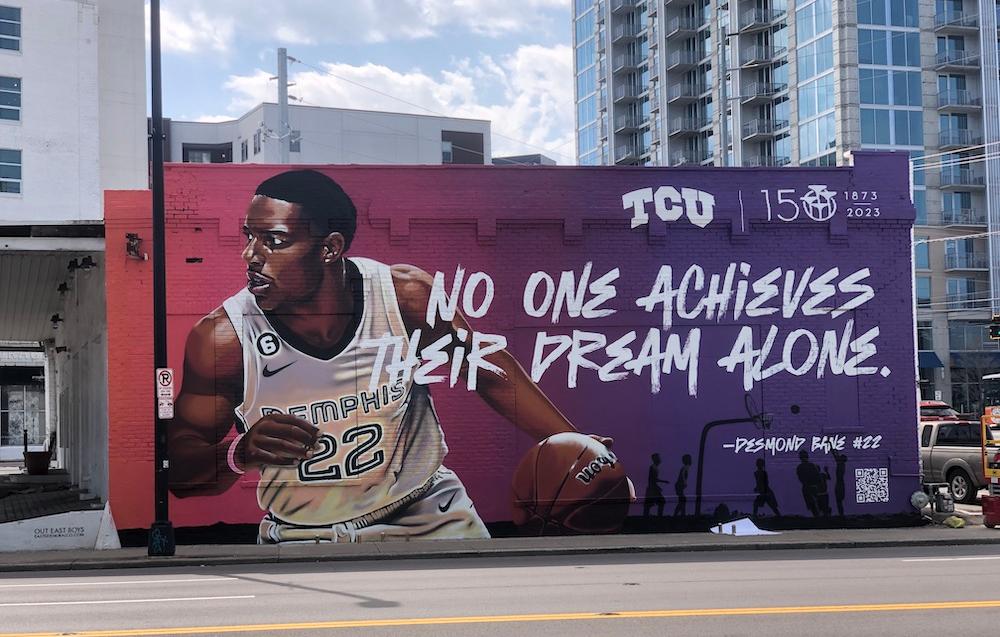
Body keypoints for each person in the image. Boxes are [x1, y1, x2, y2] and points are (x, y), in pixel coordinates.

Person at [167, 169, 618, 544]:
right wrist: (237, 454)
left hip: (430, 514)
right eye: (250, 237)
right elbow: (179, 470)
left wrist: (579, 445)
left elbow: (485, 371)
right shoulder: (223, 339)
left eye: (274, 241)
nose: (250, 255)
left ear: (330, 249)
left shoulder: (403, 296)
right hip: (304, 534)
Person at [643, 453, 669, 517]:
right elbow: (653, 479)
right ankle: (658, 516)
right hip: (652, 489)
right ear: (655, 459)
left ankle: (647, 516)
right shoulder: (652, 468)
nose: (660, 459)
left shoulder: (655, 468)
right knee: (661, 502)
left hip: (653, 488)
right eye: (658, 458)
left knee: (649, 504)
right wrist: (663, 481)